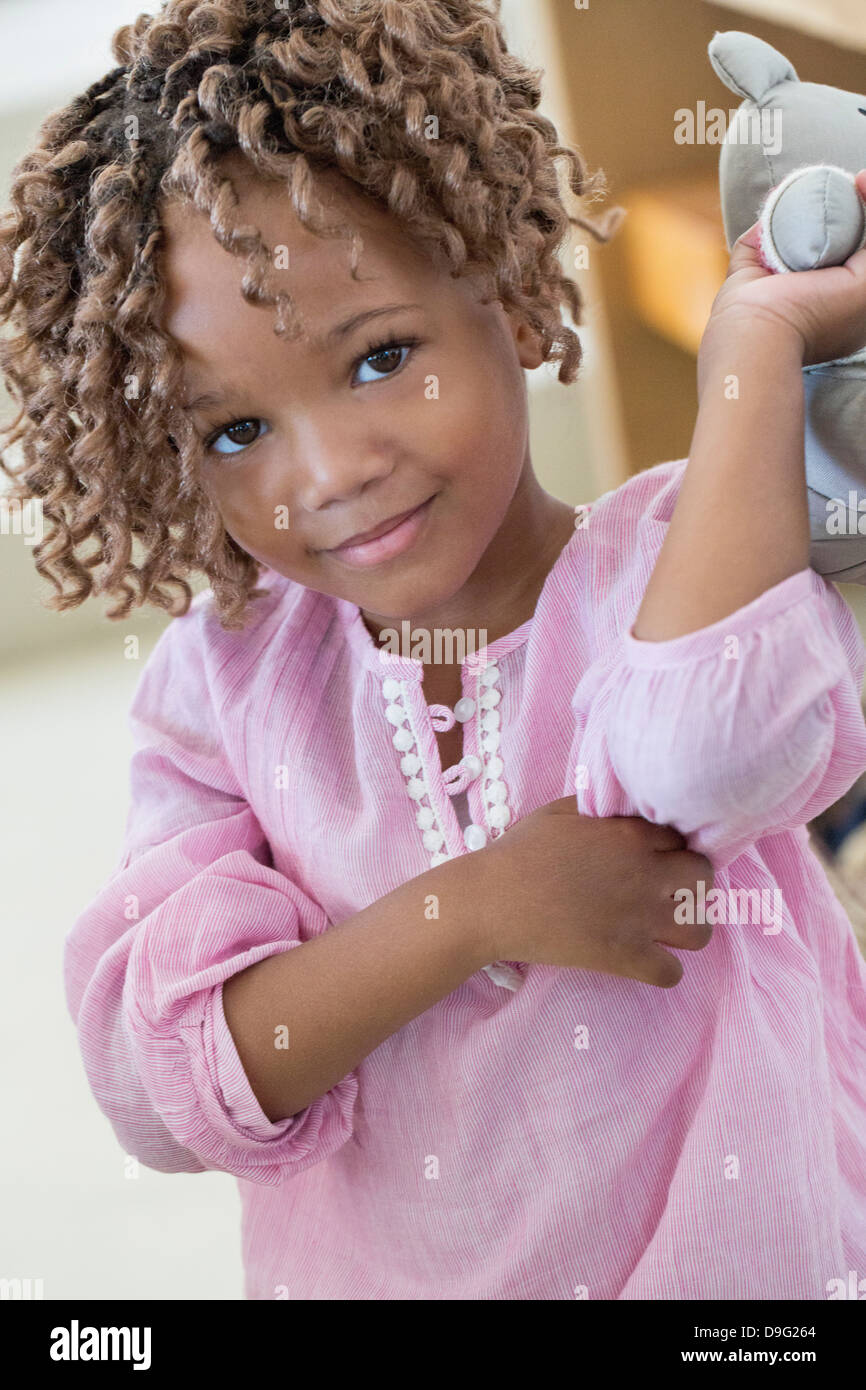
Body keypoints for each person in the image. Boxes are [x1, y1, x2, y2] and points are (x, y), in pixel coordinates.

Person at [3, 0, 866, 1299]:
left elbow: (703, 755)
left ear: (509, 285)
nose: (330, 473)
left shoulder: (675, 559)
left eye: (379, 354)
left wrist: (752, 343)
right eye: (233, 430)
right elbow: (160, 1082)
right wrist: (474, 908)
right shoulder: (222, 683)